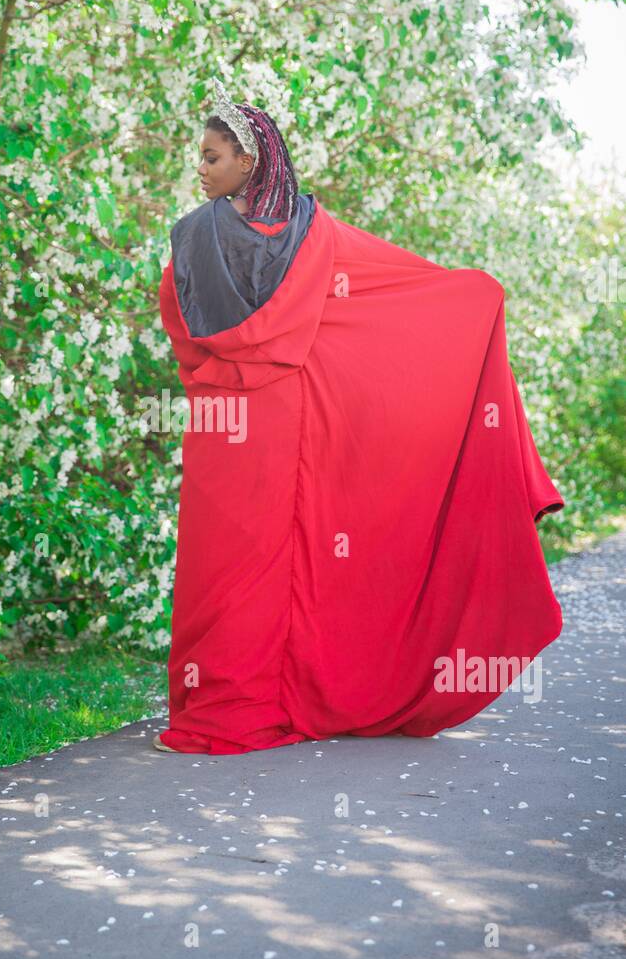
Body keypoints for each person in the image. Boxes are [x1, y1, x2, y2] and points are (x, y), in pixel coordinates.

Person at [152, 77, 565, 755]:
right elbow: (397, 290)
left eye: (211, 156)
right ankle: (291, 701)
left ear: (250, 160)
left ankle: (225, 709)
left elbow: (179, 322)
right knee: (285, 561)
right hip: (289, 424)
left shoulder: (189, 239)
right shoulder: (320, 239)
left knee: (223, 564)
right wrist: (472, 299)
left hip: (226, 431)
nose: (199, 168)